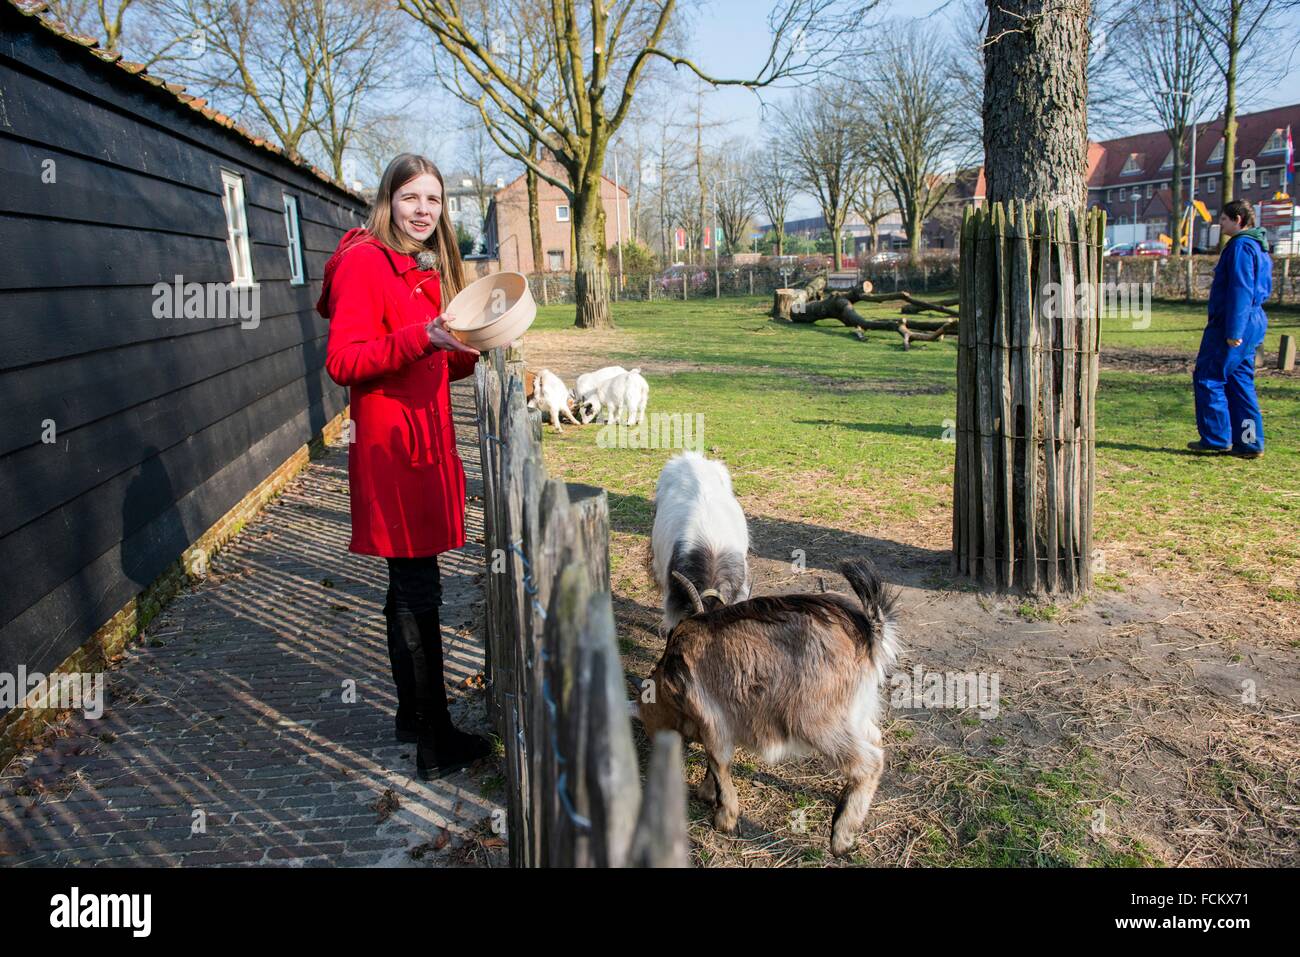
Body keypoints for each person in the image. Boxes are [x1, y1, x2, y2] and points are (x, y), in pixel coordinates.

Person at [317, 153, 492, 779]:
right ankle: (436, 739)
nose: (424, 210)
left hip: (421, 445)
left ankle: (413, 717)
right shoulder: (366, 262)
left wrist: (471, 346)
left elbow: (430, 350)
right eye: (412, 197)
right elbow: (345, 360)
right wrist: (425, 339)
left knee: (407, 590)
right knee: (419, 592)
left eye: (435, 200)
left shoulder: (417, 267)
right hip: (395, 452)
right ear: (387, 200)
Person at [1189, 199, 1271, 459]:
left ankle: (1216, 438)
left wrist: (1233, 330)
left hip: (1235, 322)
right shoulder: (1260, 246)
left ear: (1238, 220)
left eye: (1224, 219)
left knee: (1209, 376)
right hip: (1255, 320)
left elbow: (1240, 289)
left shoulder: (1240, 247)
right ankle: (1249, 441)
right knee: (1240, 381)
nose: (1220, 223)